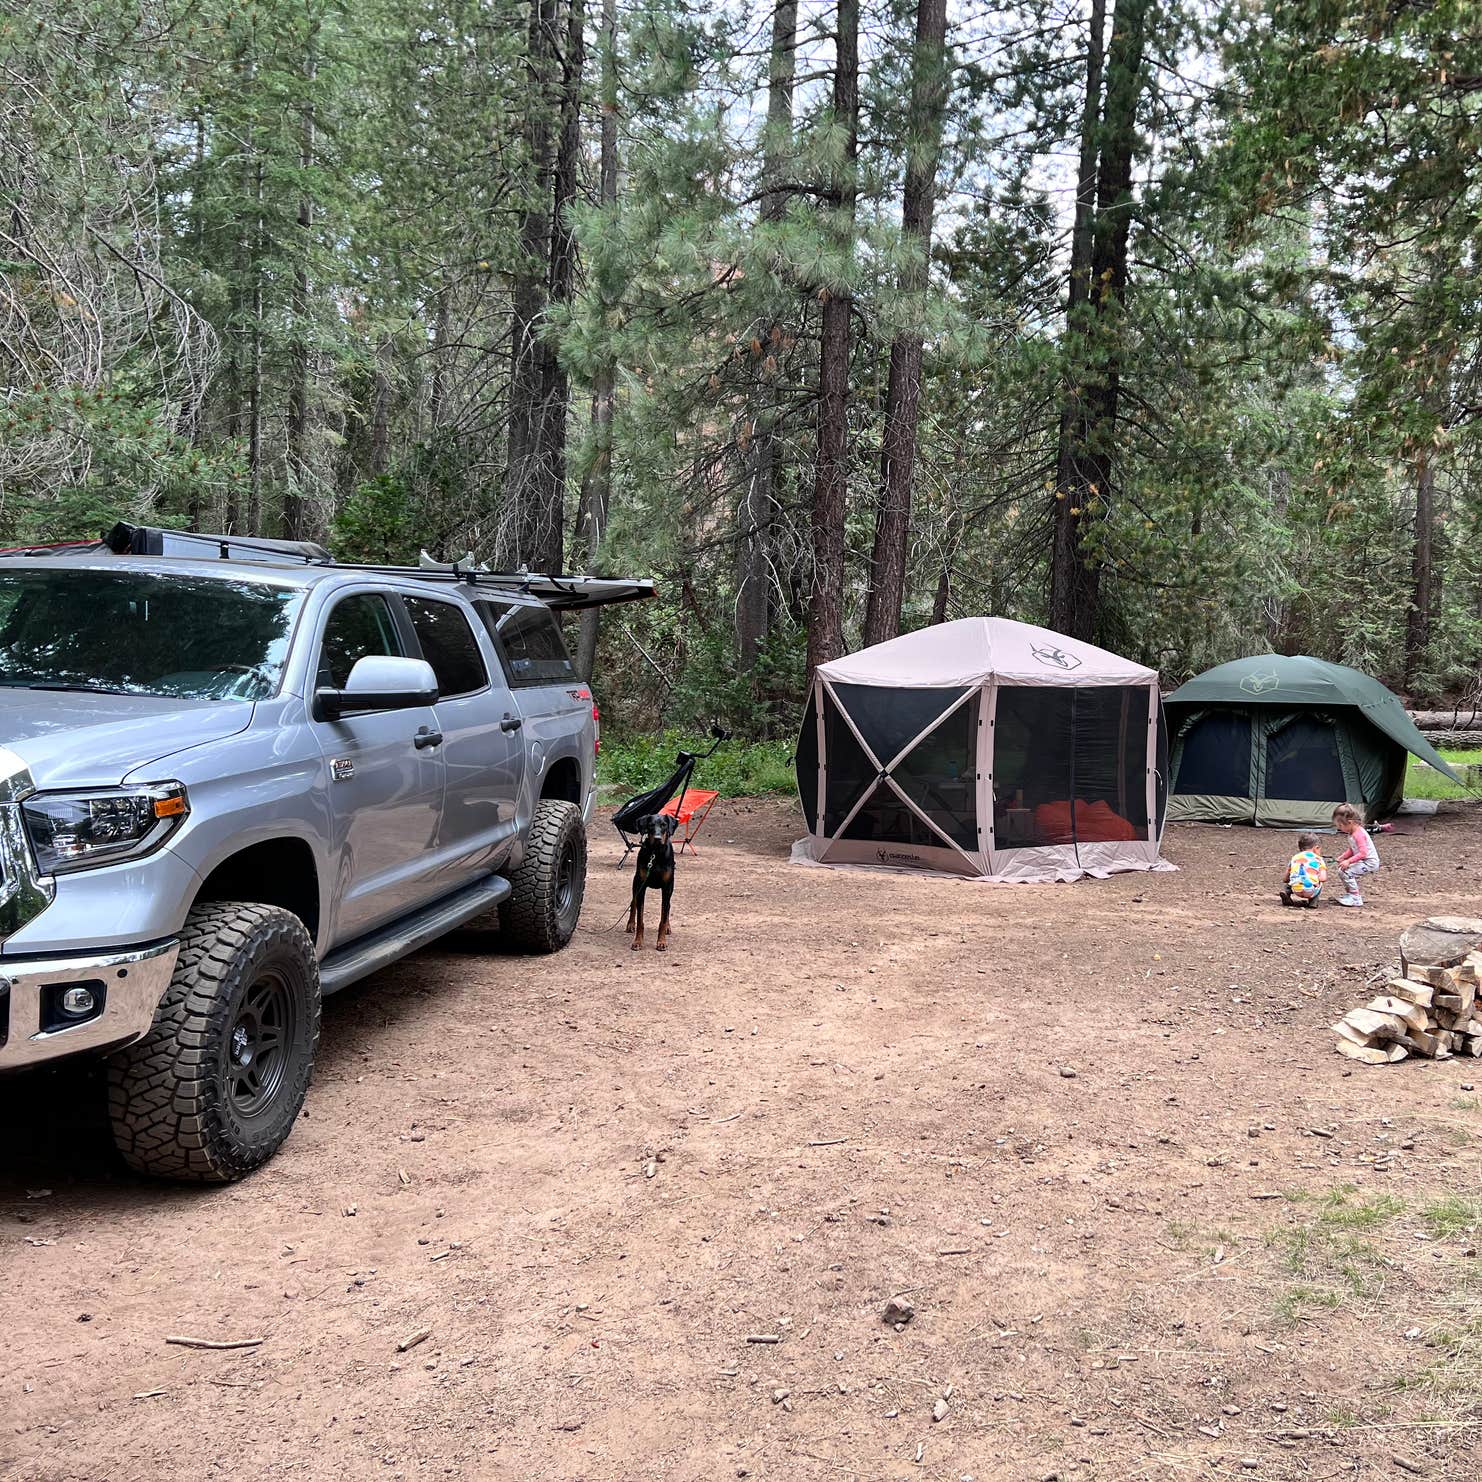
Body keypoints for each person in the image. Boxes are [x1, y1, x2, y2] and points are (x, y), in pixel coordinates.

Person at [1331, 803, 1380, 908]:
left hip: (1369, 863)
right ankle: (1350, 894)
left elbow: (1363, 853)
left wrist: (1348, 861)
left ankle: (1356, 898)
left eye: (1340, 826)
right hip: (1364, 860)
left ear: (1349, 822)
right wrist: (1343, 857)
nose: (1339, 828)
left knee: (1347, 871)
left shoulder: (1358, 834)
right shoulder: (1352, 833)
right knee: (1342, 871)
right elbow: (1353, 849)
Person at [1280, 832, 1327, 908]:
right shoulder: (1319, 859)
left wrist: (1289, 881)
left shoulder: (1295, 858)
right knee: (1319, 884)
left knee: (1290, 883)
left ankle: (1287, 892)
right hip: (1310, 890)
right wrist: (1316, 878)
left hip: (1296, 889)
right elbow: (1323, 878)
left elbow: (1285, 879)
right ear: (1316, 848)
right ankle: (1313, 902)